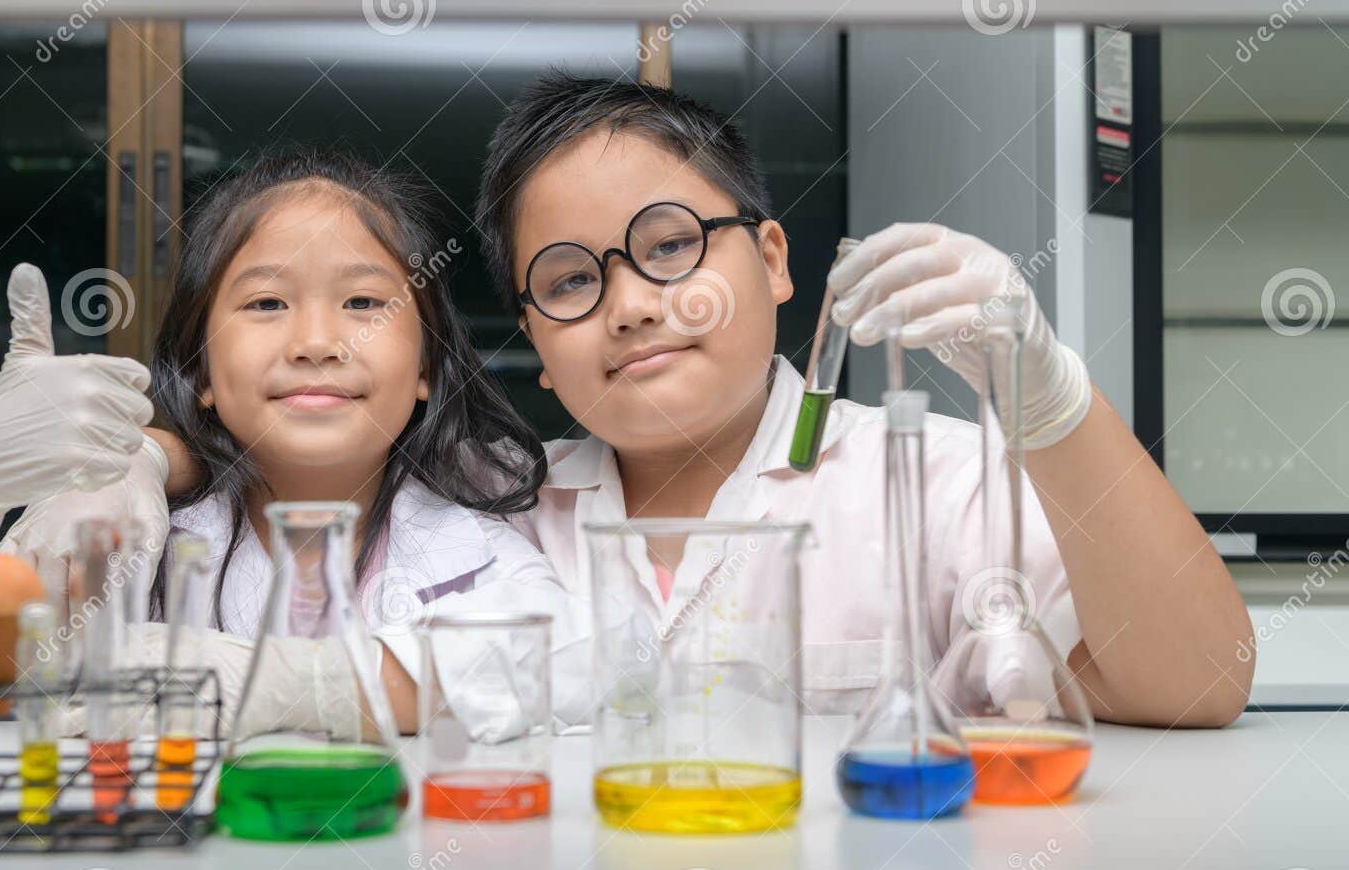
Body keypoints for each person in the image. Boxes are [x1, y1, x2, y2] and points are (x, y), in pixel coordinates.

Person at [471, 71, 1253, 728]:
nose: (632, 304)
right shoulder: (493, 517)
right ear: (535, 341)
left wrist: (1051, 404)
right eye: (569, 280)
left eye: (671, 245)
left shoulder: (935, 483)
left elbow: (1197, 685)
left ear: (773, 260)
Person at [0, 146, 575, 737]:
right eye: (266, 303)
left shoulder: (480, 555)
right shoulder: (114, 532)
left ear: (424, 367)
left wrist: (273, 686)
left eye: (362, 302)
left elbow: (542, 661)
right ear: (200, 373)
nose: (316, 341)